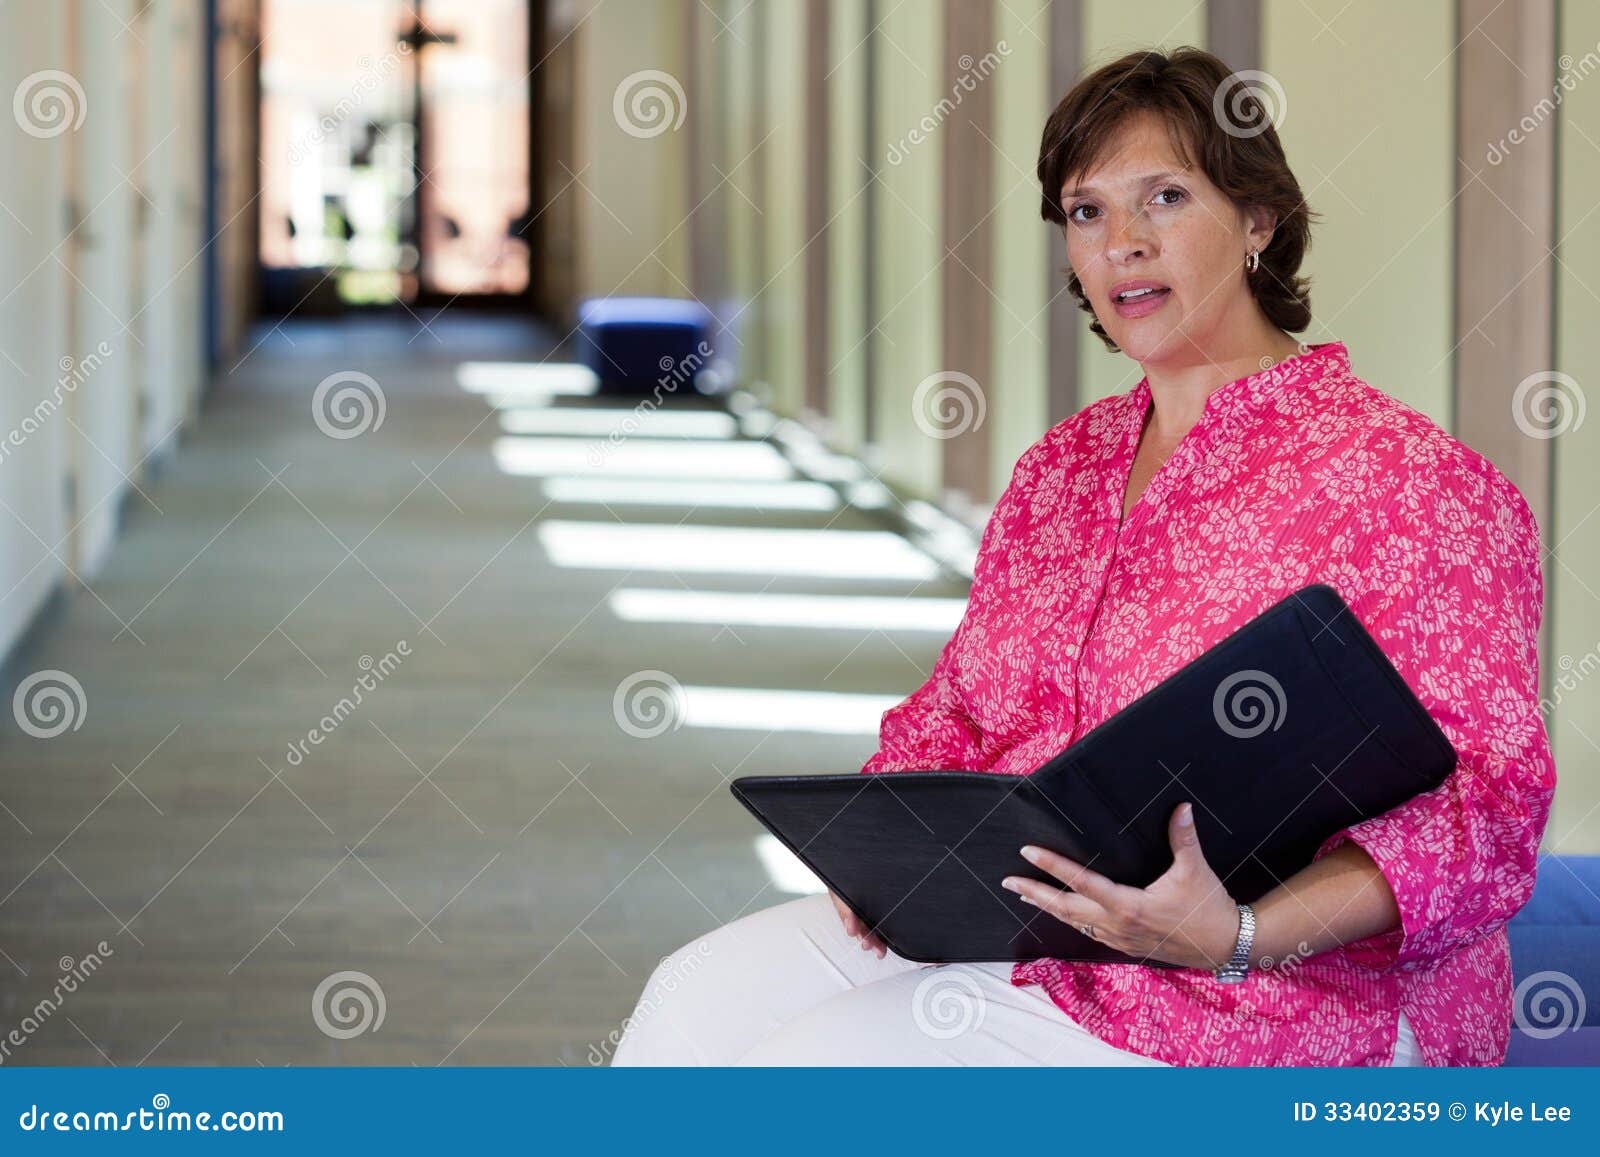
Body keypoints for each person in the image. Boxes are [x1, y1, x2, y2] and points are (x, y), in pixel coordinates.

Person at [611, 46, 1552, 1067]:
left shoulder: (1411, 483)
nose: (1125, 244)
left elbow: (1487, 811)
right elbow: (961, 711)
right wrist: (879, 852)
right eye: (1087, 211)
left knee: (808, 1068)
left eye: (1165, 197)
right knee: (691, 1001)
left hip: (1281, 991)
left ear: (1256, 220)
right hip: (1031, 927)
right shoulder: (1064, 467)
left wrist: (1236, 932)